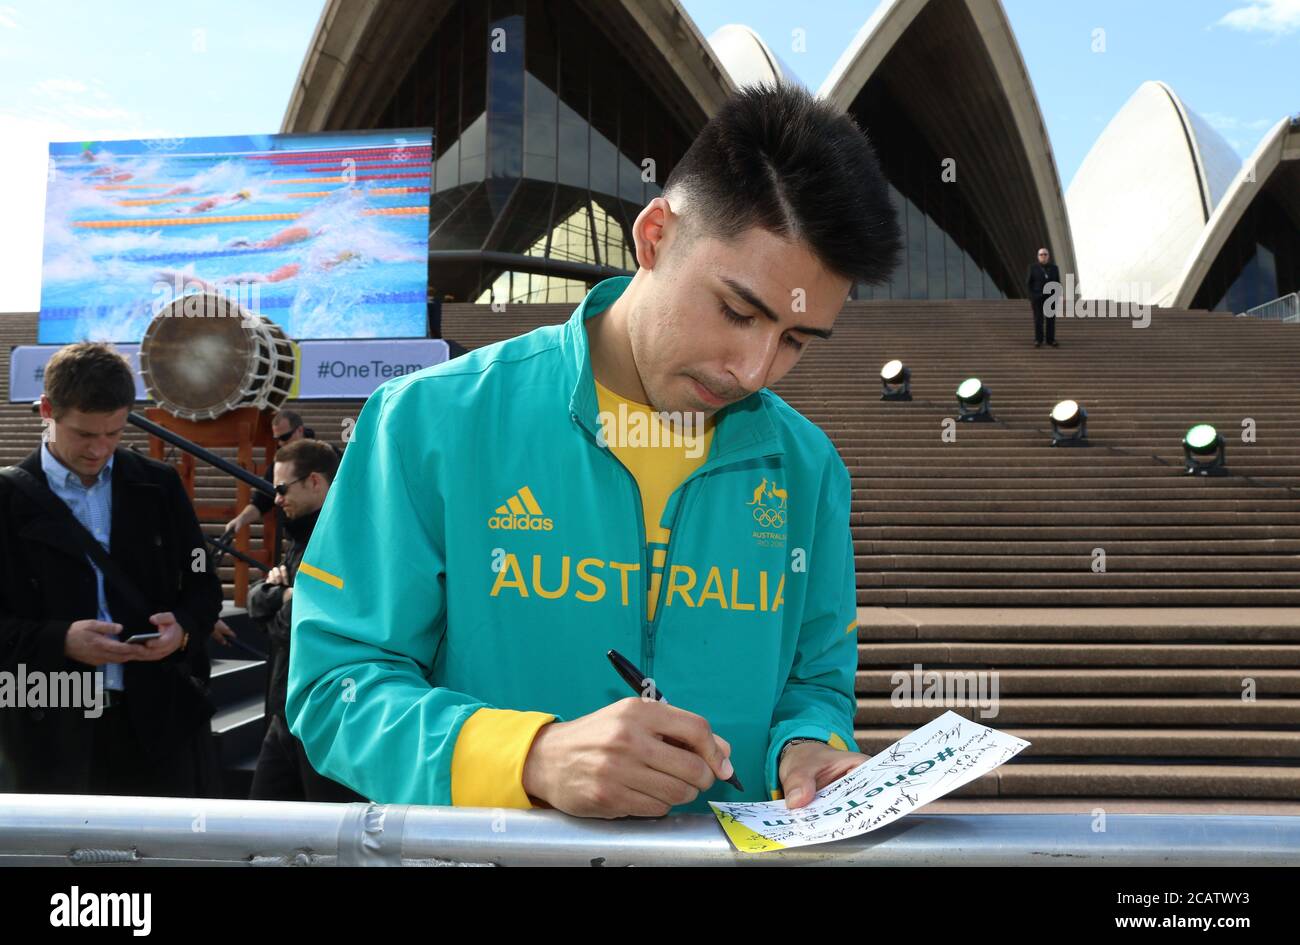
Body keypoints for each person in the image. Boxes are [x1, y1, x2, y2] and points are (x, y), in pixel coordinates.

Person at [287, 82, 902, 819]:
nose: (754, 370)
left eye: (796, 339)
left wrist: (806, 747)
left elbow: (814, 684)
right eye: (738, 311)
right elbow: (336, 687)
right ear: (653, 237)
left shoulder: (807, 469)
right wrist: (531, 758)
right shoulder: (428, 422)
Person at [0, 342, 223, 795]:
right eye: (84, 434)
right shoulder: (6, 500)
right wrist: (59, 641)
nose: (99, 449)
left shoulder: (158, 485)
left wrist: (181, 628)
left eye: (114, 433)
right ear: (47, 410)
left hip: (156, 728)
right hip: (46, 731)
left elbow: (203, 583)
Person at [247, 439, 362, 802]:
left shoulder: (346, 539)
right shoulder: (300, 534)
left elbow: (295, 630)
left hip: (328, 718)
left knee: (330, 839)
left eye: (282, 488)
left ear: (316, 482)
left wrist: (277, 602)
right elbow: (259, 603)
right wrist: (281, 595)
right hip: (286, 715)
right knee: (259, 835)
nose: (276, 499)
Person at [224, 409, 340, 564]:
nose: (281, 443)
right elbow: (262, 500)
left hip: (328, 535)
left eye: (285, 437)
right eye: (277, 439)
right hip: (298, 542)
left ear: (300, 430)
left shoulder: (327, 455)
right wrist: (241, 519)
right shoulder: (280, 466)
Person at [1027, 247, 1061, 347]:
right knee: (1038, 319)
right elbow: (1029, 283)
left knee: (1050, 319)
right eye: (1041, 254)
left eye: (1045, 254)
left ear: (1048, 256)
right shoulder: (1032, 268)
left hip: (1051, 298)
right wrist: (1031, 296)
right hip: (1037, 297)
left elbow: (1057, 282)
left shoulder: (1054, 268)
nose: (1043, 256)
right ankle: (1038, 340)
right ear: (1038, 257)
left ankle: (1051, 340)